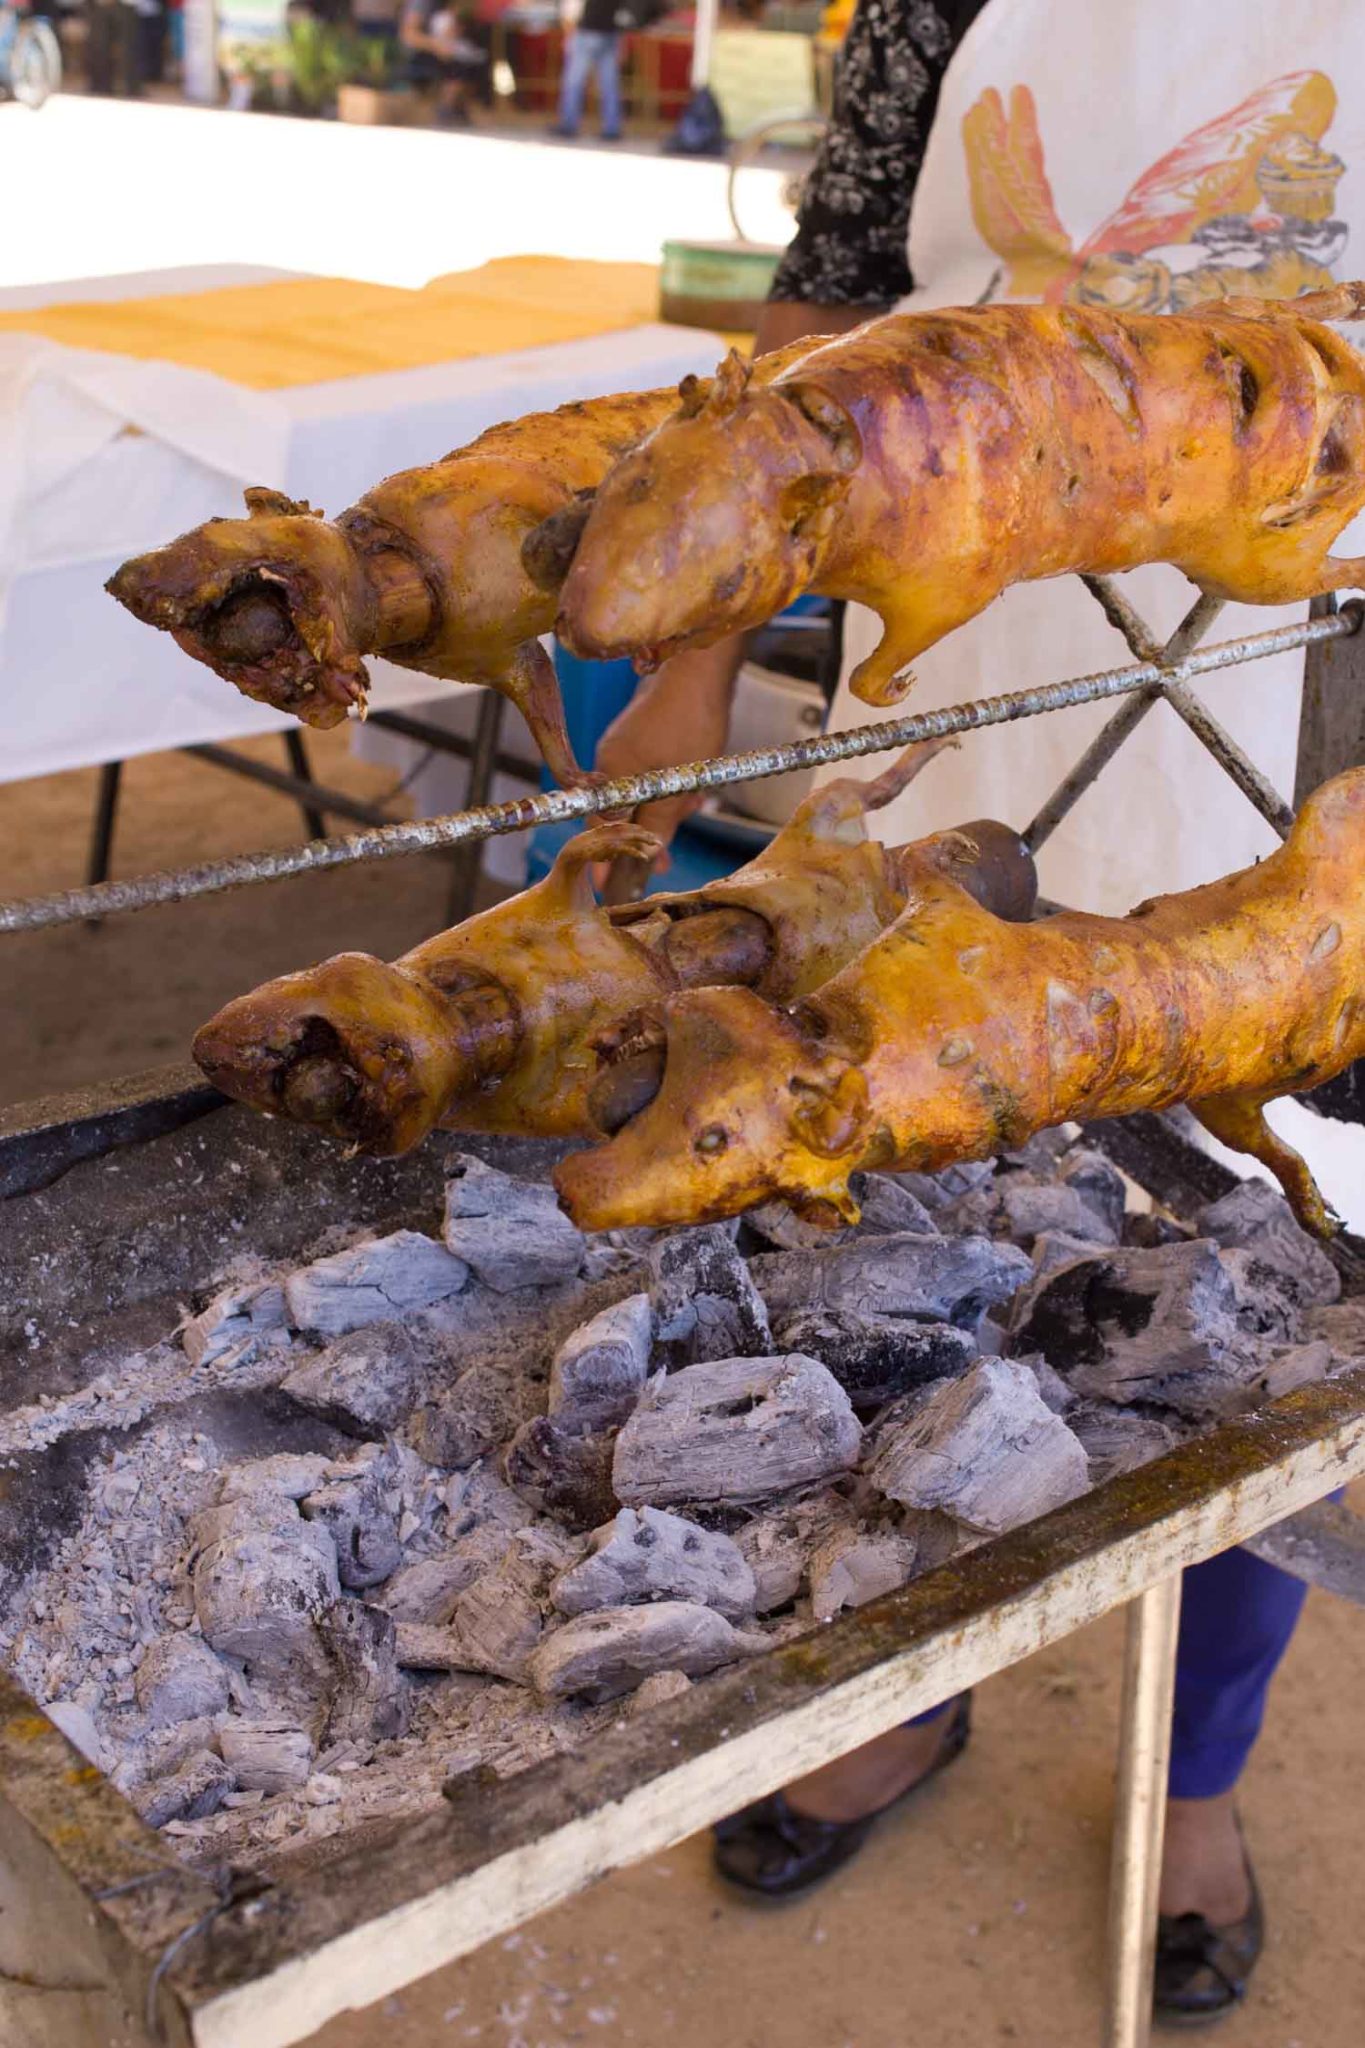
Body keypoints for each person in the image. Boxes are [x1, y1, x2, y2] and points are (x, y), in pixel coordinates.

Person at [593, 0, 1365, 2023]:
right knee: (882, 1197)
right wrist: (689, 652)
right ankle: (901, 1684)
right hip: (955, 669)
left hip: (1303, 710)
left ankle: (1191, 1777)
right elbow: (817, 330)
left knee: (1248, 1293)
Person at [550, 0, 626, 142]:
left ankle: (568, 124)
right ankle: (612, 128)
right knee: (609, 85)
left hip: (586, 33)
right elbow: (623, 14)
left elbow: (571, 12)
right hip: (610, 35)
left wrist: (569, 37)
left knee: (574, 83)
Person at [400, 0, 487, 123]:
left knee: (475, 59)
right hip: (421, 51)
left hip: (444, 46)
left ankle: (459, 105)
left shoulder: (447, 4)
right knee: (457, 63)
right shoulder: (421, 3)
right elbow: (409, 35)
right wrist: (436, 46)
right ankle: (446, 107)